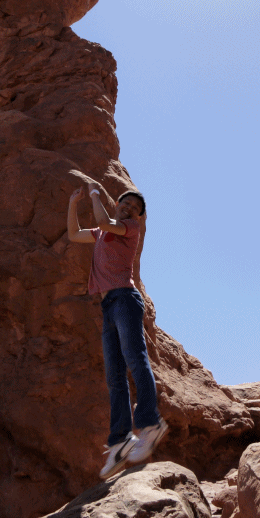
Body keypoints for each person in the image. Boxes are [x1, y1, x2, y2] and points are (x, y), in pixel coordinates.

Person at [67, 182, 167, 479]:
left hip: (125, 298)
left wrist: (96, 195)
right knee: (114, 376)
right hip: (108, 305)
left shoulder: (128, 229)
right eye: (125, 204)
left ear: (136, 217)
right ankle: (121, 440)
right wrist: (73, 204)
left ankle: (150, 423)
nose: (129, 209)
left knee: (136, 359)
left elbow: (101, 221)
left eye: (135, 209)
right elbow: (74, 234)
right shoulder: (102, 233)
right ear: (117, 205)